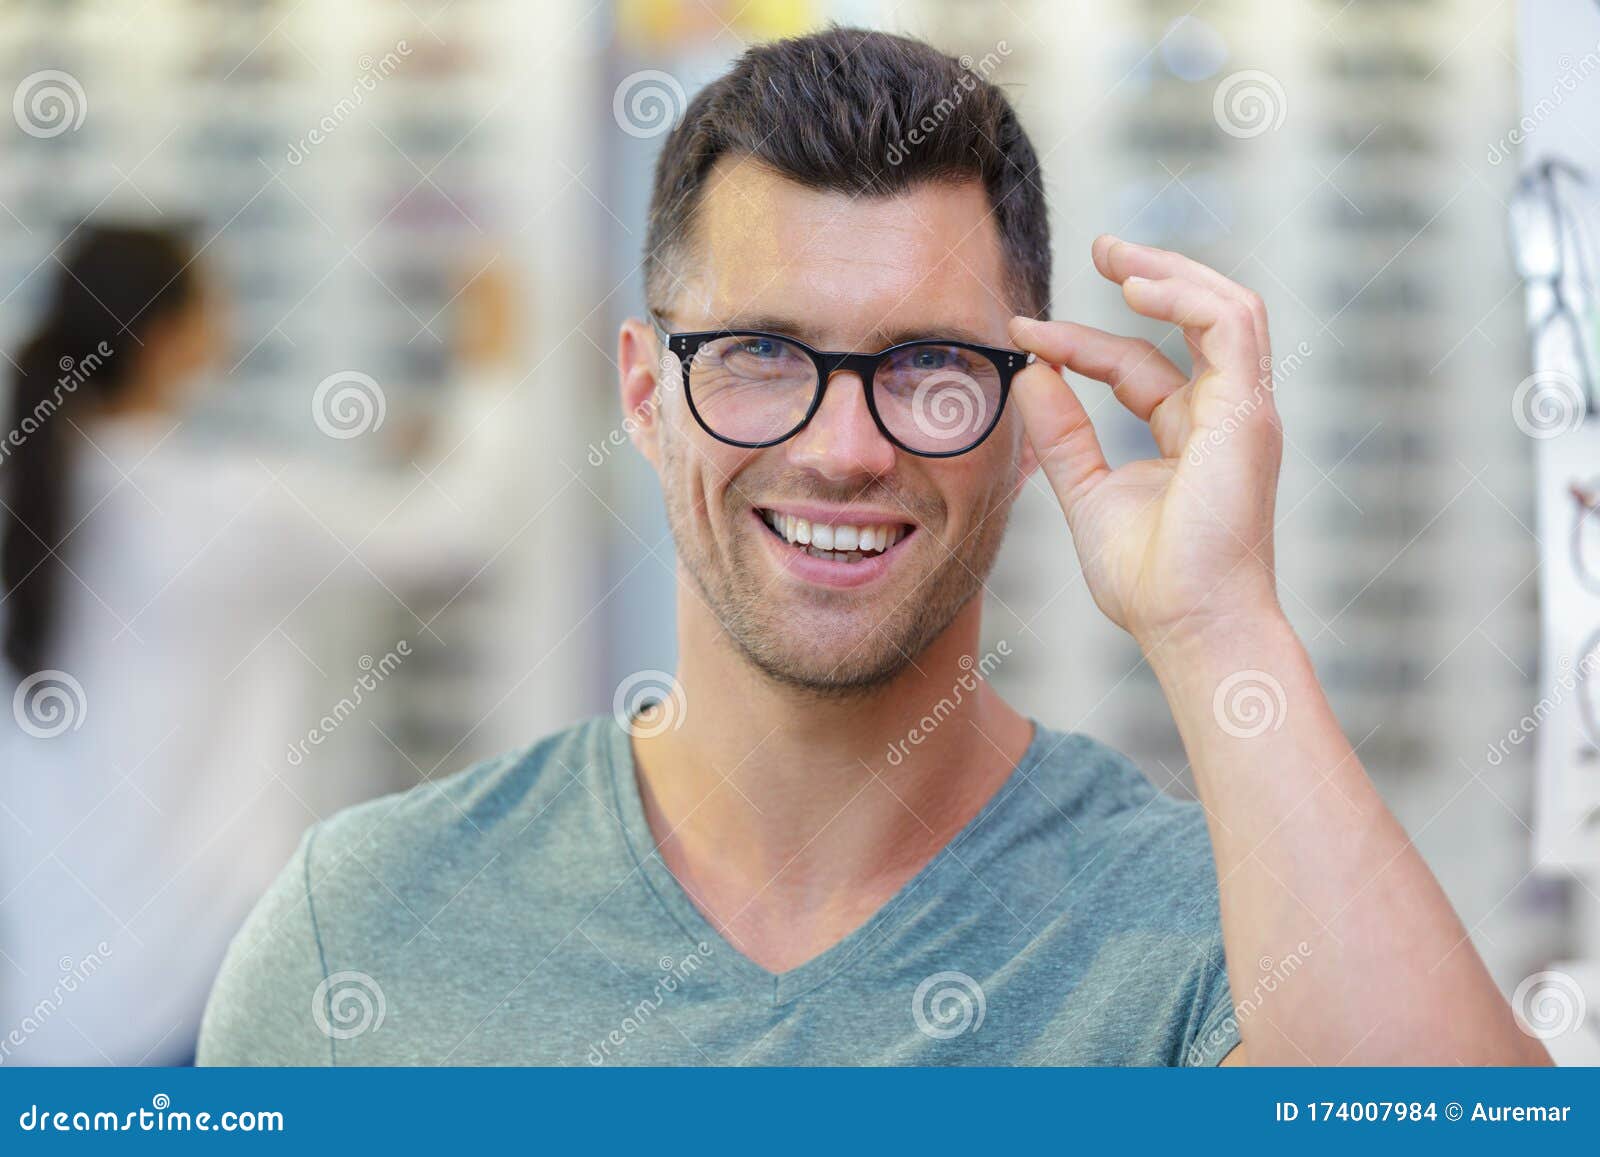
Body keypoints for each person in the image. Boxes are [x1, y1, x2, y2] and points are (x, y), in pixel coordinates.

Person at [197, 28, 1547, 1066]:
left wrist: (1219, 623)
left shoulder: (1223, 938)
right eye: (763, 352)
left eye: (929, 367)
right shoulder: (362, 931)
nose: (846, 446)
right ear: (645, 391)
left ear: (1026, 409)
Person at [0, 223, 519, 1064]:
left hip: (46, 1026)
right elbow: (454, 528)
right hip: (195, 1007)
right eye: (215, 302)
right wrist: (494, 362)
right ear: (170, 340)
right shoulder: (221, 510)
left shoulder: (37, 501)